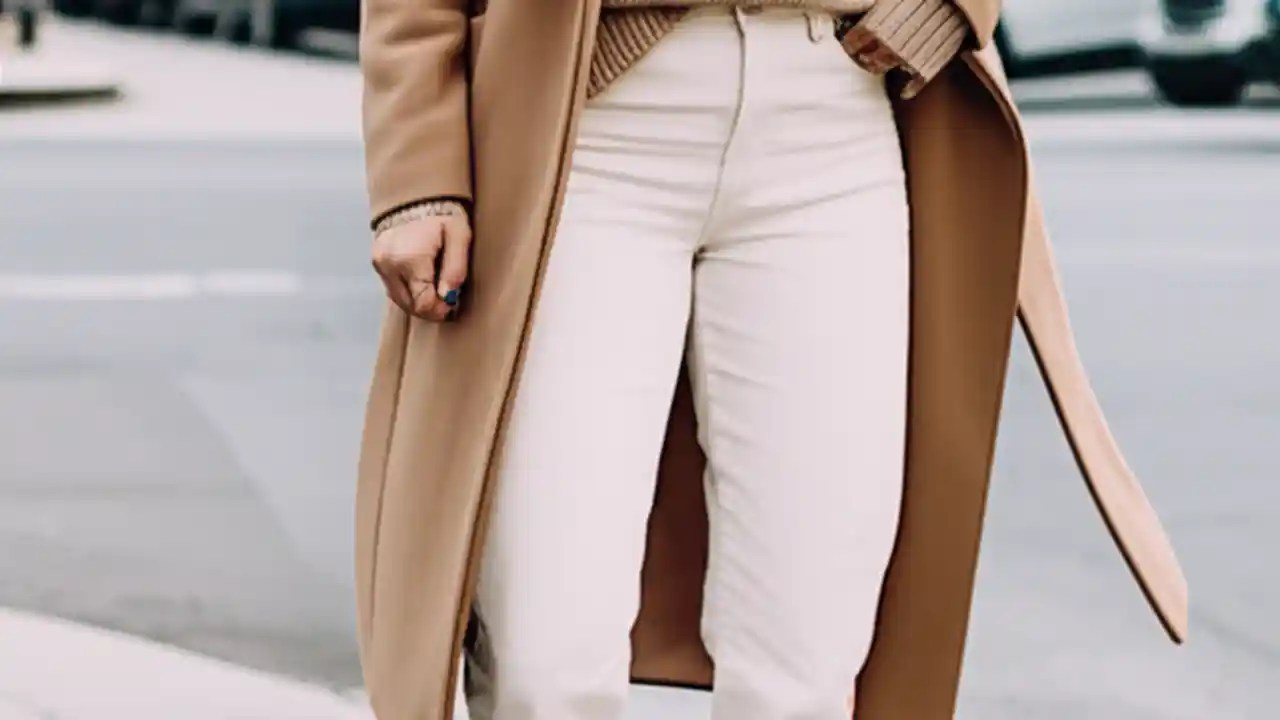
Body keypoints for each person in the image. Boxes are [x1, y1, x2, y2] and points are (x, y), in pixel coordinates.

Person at [355, 2, 1188, 719]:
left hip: (834, 119)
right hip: (587, 123)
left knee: (810, 649)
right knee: (546, 649)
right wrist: (418, 163)